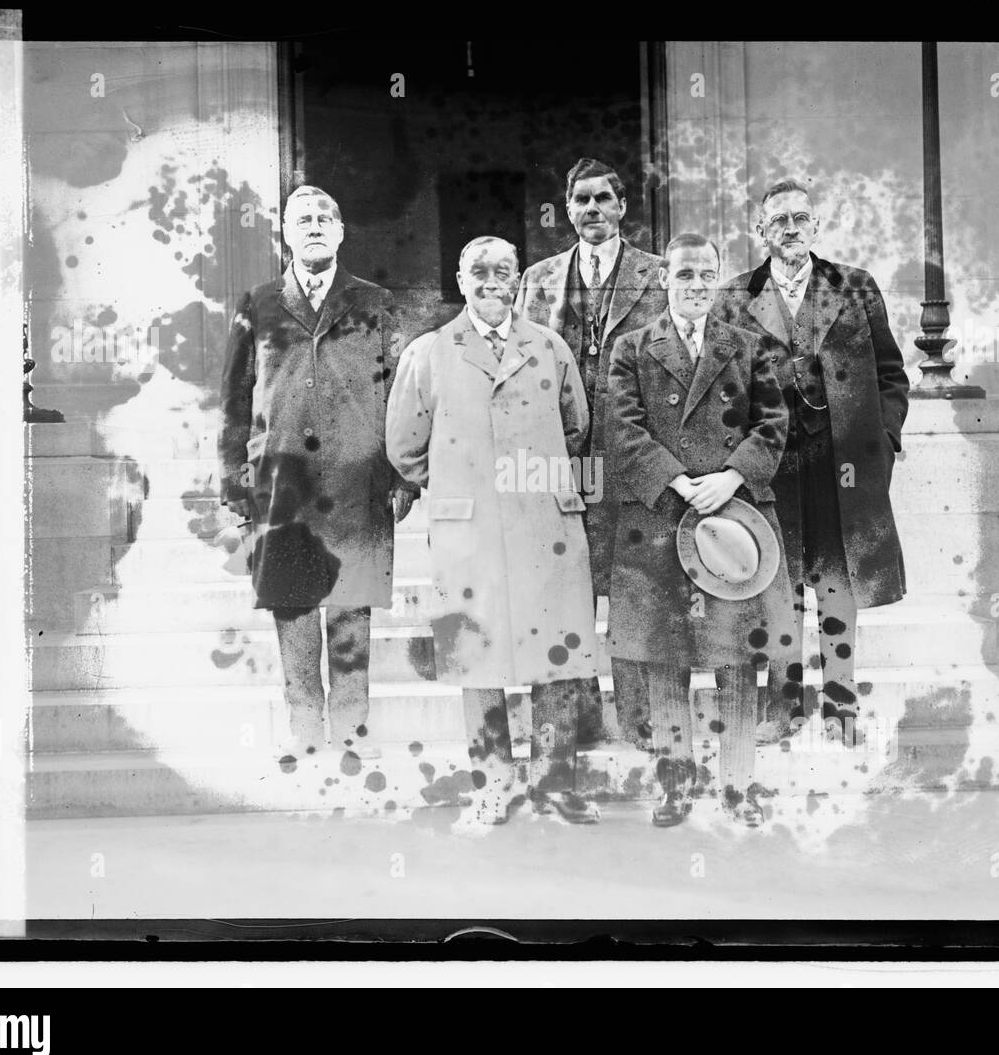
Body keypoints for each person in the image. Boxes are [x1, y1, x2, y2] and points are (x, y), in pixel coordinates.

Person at [387, 236, 602, 827]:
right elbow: (405, 449)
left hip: (544, 526)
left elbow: (577, 430)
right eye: (477, 271)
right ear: (460, 279)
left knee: (555, 656)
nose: (489, 281)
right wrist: (466, 482)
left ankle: (556, 781)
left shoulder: (550, 347)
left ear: (517, 282)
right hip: (469, 533)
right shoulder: (429, 354)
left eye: (501, 272)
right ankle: (494, 782)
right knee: (476, 659)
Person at [218, 185, 417, 768]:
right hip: (283, 479)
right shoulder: (257, 304)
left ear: (341, 231)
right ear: (284, 231)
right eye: (301, 219)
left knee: (352, 603)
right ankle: (303, 726)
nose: (313, 227)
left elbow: (400, 395)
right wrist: (234, 479)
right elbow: (233, 399)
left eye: (324, 218)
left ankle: (353, 729)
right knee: (292, 601)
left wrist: (403, 474)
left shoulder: (375, 302)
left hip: (360, 478)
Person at [607, 233, 794, 827]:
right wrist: (680, 481)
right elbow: (623, 427)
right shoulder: (631, 348)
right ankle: (675, 785)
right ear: (666, 278)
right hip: (661, 519)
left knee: (739, 656)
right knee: (666, 656)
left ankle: (739, 785)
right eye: (684, 274)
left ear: (717, 279)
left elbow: (772, 423)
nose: (695, 285)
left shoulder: (750, 346)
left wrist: (733, 476)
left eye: (705, 274)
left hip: (736, 521)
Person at [714, 178, 910, 744]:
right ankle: (784, 707)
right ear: (761, 231)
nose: (792, 229)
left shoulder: (853, 286)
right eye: (779, 221)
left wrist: (886, 439)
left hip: (841, 463)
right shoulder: (735, 296)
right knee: (779, 585)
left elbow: (891, 374)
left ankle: (841, 707)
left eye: (801, 218)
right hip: (771, 465)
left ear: (817, 226)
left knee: (837, 580)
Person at [514, 157, 668, 750]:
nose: (593, 210)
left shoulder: (655, 276)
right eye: (581, 200)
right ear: (568, 208)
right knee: (564, 586)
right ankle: (571, 719)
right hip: (565, 457)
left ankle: (638, 717)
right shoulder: (541, 277)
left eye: (604, 199)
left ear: (623, 207)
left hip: (632, 457)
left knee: (633, 586)